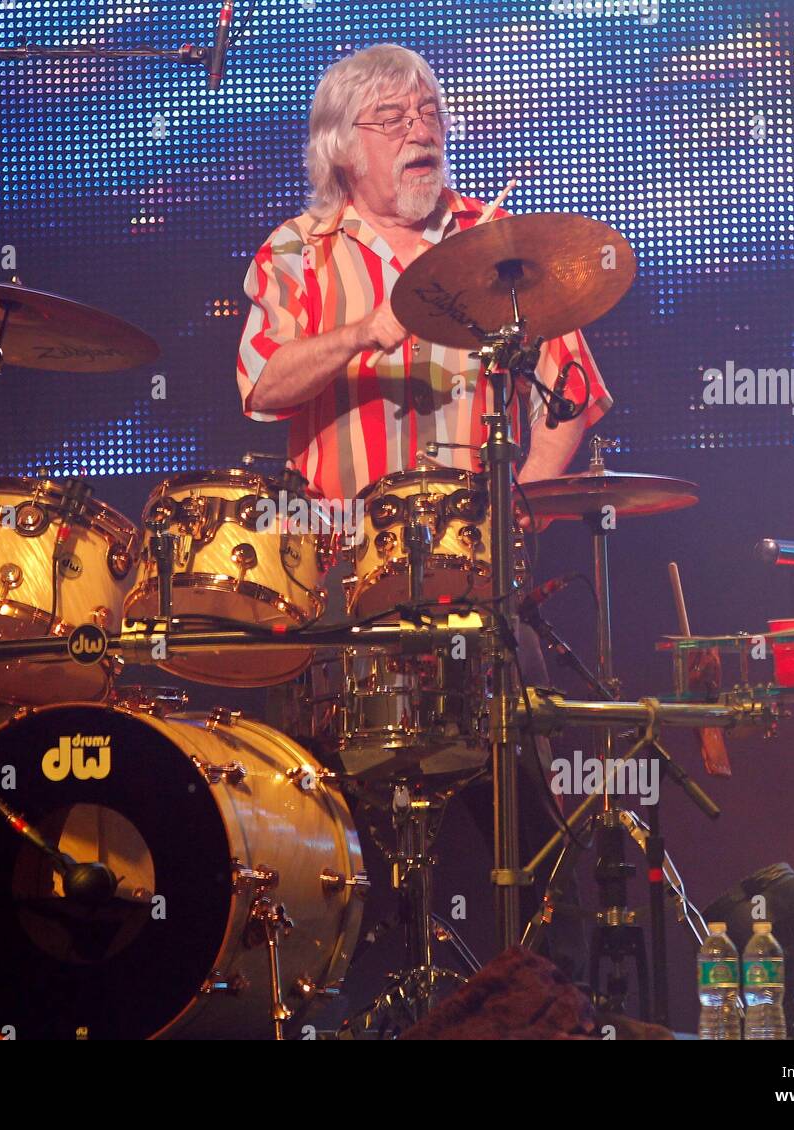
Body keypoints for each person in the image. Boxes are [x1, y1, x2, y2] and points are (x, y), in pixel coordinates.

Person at [234, 43, 611, 982]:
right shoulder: (298, 250)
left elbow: (576, 399)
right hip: (347, 589)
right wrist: (367, 331)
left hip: (481, 590)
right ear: (340, 149)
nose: (420, 131)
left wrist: (510, 516)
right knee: (344, 840)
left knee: (532, 827)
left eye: (429, 113)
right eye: (393, 119)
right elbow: (260, 383)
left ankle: (545, 1006)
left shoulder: (501, 242)